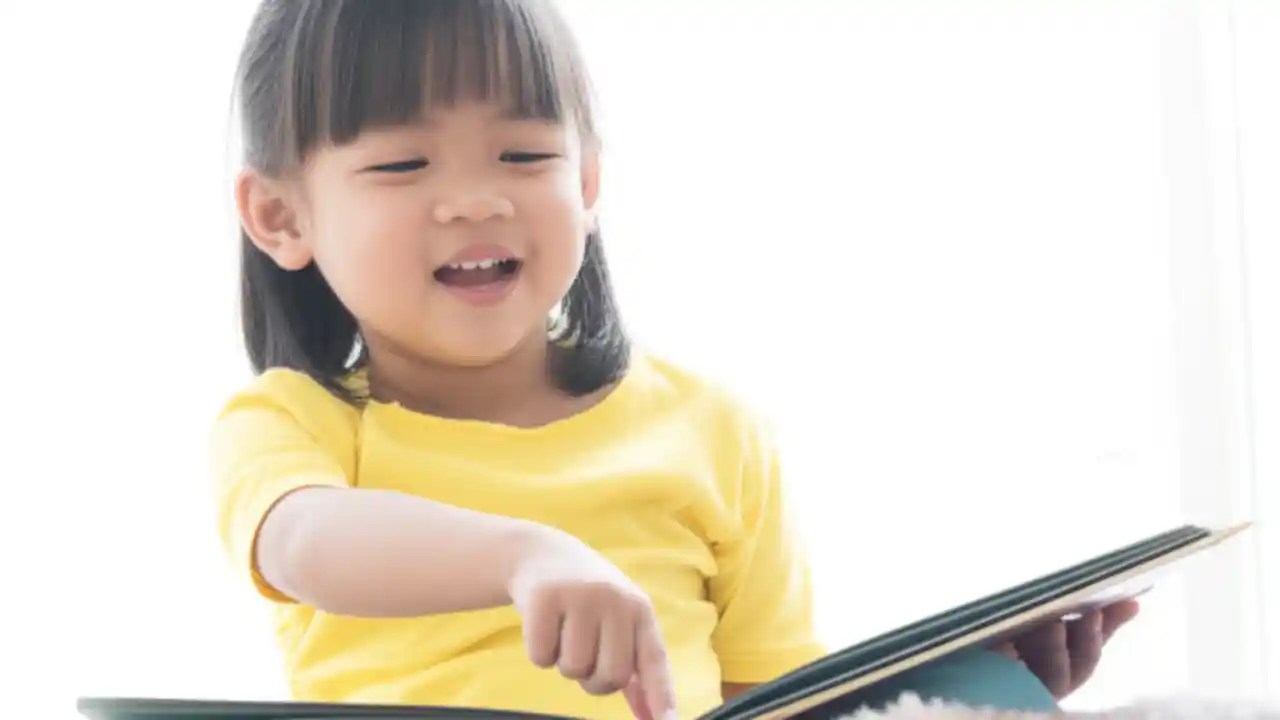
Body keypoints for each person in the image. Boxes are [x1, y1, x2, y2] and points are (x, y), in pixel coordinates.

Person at [213, 1, 1137, 718]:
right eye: (403, 166)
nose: (476, 201)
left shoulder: (713, 431)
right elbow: (304, 544)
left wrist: (981, 688)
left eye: (523, 154)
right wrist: (523, 554)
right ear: (280, 216)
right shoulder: (295, 425)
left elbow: (776, 703)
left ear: (586, 182)